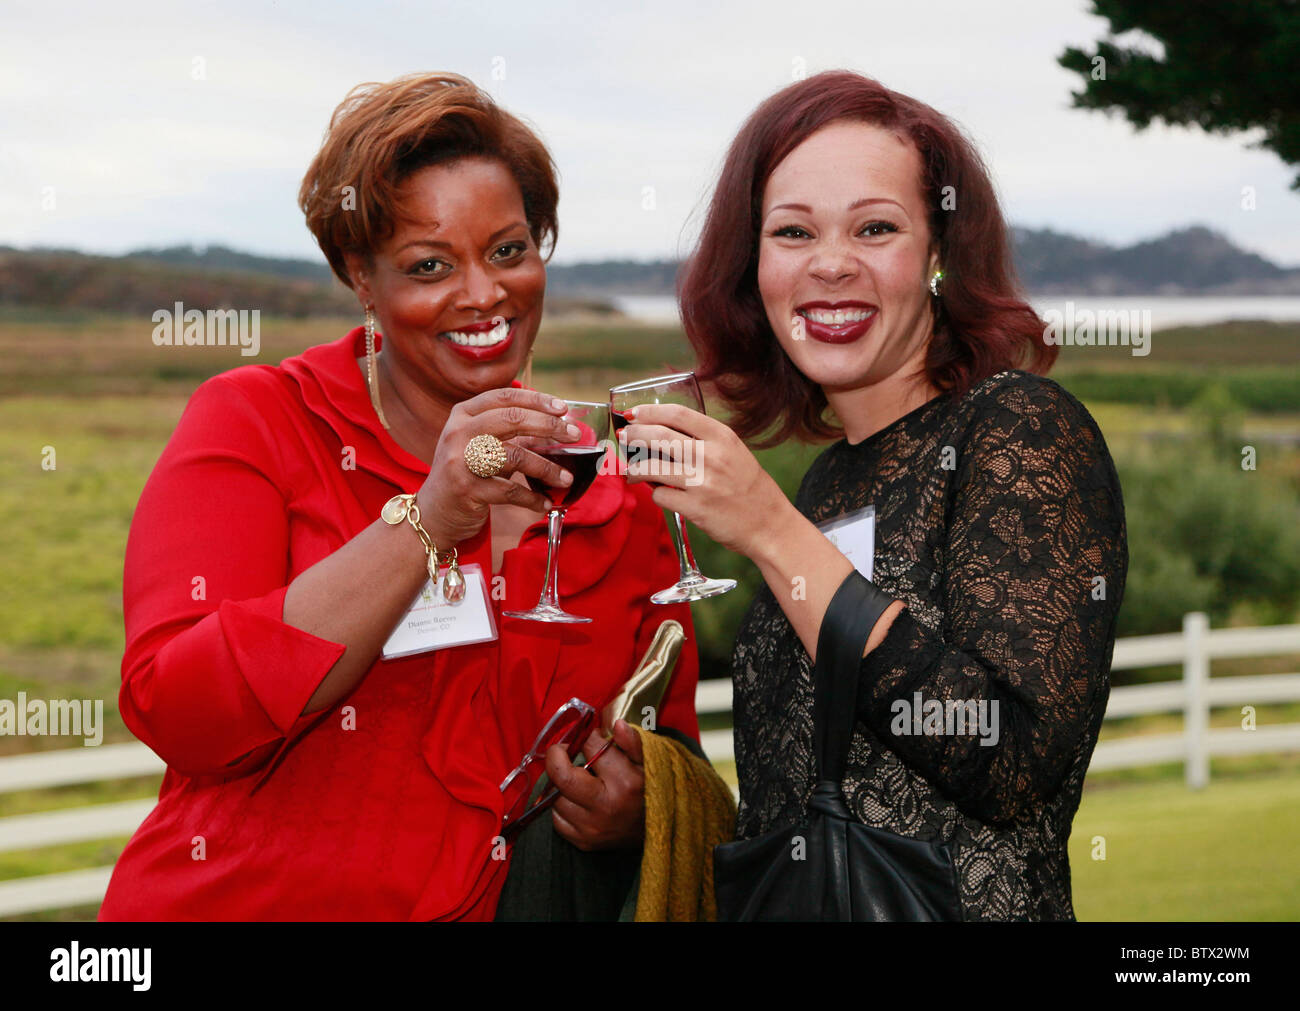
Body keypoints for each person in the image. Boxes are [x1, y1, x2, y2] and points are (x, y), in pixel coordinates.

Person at [98, 73, 702, 921]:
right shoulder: (260, 423)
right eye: (429, 265)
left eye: (508, 250)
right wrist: (428, 520)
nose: (484, 295)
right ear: (362, 278)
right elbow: (181, 711)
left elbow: (671, 744)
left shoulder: (607, 493)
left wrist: (636, 810)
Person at [622, 70, 1127, 920]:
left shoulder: (1020, 428)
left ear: (937, 252)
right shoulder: (830, 480)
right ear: (753, 264)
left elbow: (1007, 759)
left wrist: (771, 533)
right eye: (792, 231)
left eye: (876, 227)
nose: (829, 264)